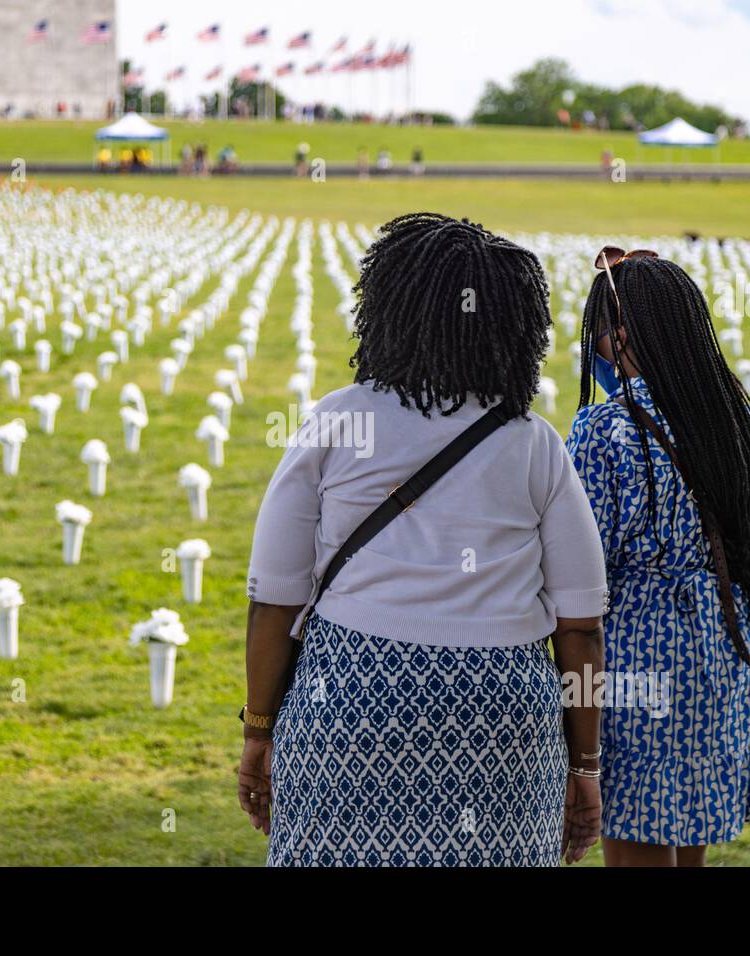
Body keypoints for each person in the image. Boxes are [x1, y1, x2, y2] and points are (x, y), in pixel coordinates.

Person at [239, 213, 609, 867]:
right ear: (518, 329)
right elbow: (579, 628)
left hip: (350, 703)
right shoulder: (534, 446)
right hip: (505, 717)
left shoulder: (338, 420)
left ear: (383, 310)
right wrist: (585, 765)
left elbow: (274, 601)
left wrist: (259, 733)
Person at [565, 248, 750, 867]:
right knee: (686, 834)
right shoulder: (745, 423)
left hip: (638, 665)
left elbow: (578, 574)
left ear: (618, 339)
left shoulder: (604, 432)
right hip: (728, 654)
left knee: (637, 842)